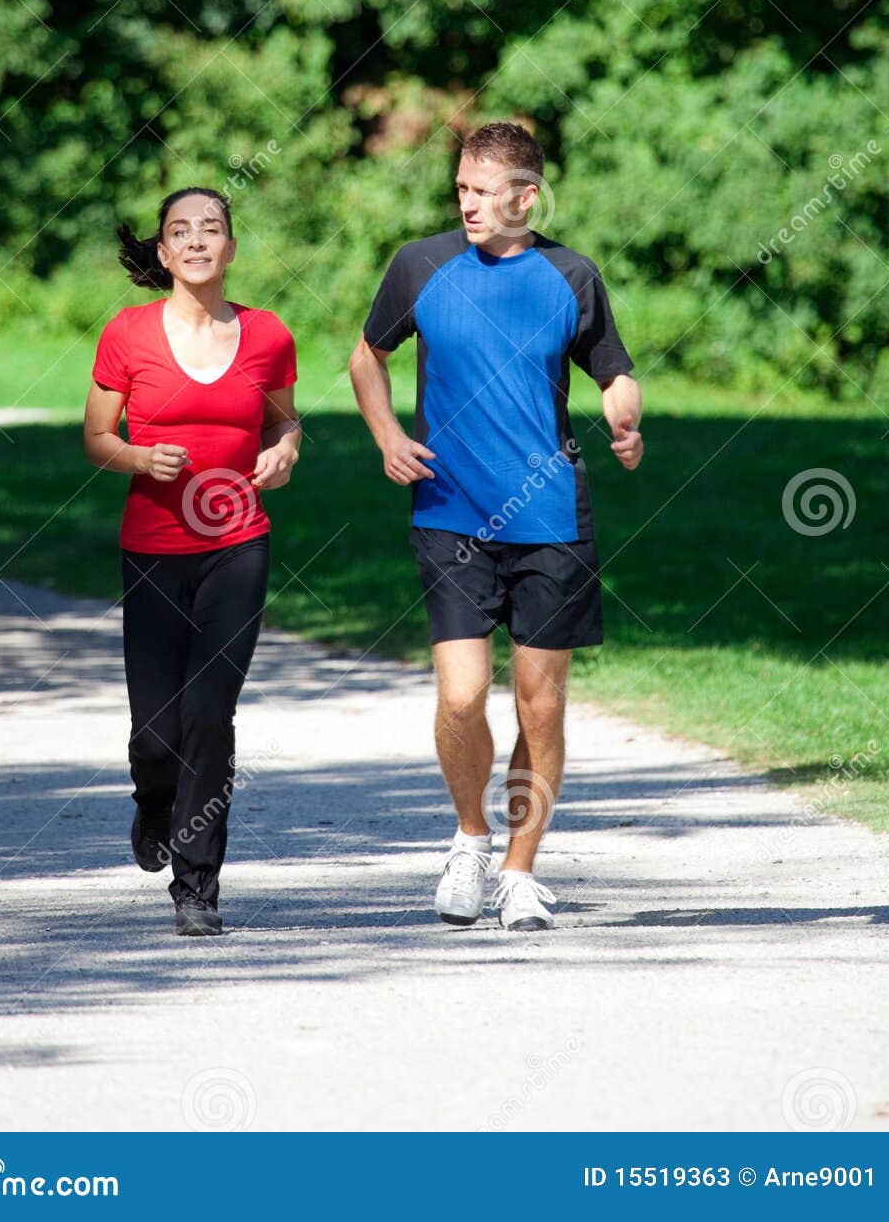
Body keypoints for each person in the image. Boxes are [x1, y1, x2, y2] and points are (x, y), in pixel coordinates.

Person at [349, 123, 643, 932]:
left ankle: (519, 871)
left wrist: (624, 419)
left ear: (527, 195)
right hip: (450, 512)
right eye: (461, 192)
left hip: (549, 518)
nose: (468, 206)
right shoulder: (421, 264)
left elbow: (613, 369)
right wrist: (385, 436)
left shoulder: (570, 275)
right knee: (462, 695)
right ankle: (469, 838)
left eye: (484, 193)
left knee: (540, 708)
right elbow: (365, 355)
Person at [84, 185, 300, 937]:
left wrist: (284, 449)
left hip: (238, 544)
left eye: (213, 229)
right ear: (165, 251)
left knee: (210, 710)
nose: (199, 241)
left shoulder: (268, 335)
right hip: (152, 550)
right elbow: (96, 439)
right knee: (156, 732)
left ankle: (197, 884)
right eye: (183, 231)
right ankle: (153, 798)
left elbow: (283, 417)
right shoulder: (128, 335)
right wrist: (139, 456)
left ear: (230, 248)